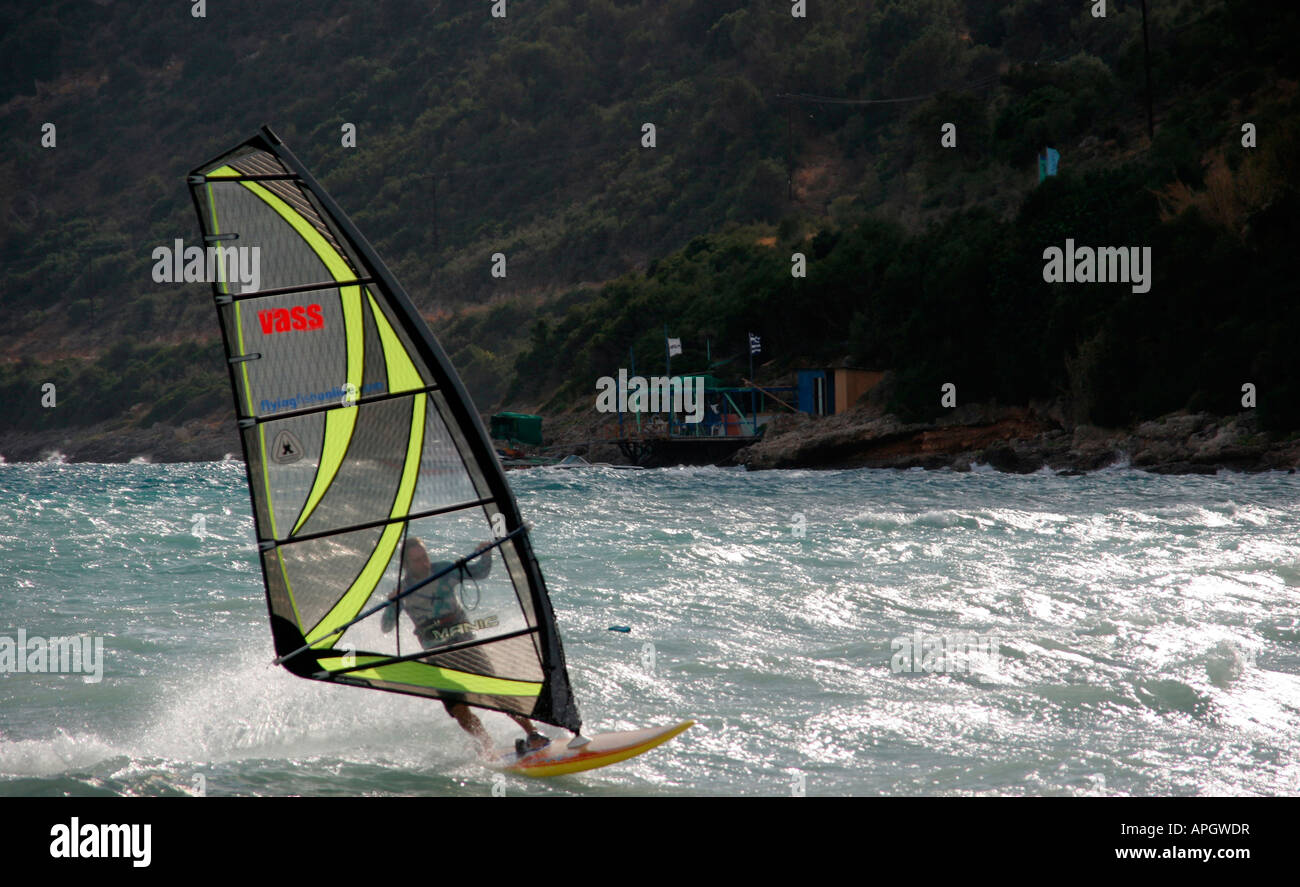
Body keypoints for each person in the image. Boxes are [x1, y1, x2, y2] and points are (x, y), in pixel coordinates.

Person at [381, 536, 549, 758]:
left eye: (425, 556)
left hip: (463, 641)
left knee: (494, 688)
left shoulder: (444, 570)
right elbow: (386, 626)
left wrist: (486, 554)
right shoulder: (403, 590)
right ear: (407, 566)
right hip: (437, 654)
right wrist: (392, 603)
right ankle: (487, 744)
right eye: (417, 561)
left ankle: (533, 733)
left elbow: (479, 572)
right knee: (458, 709)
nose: (425, 563)